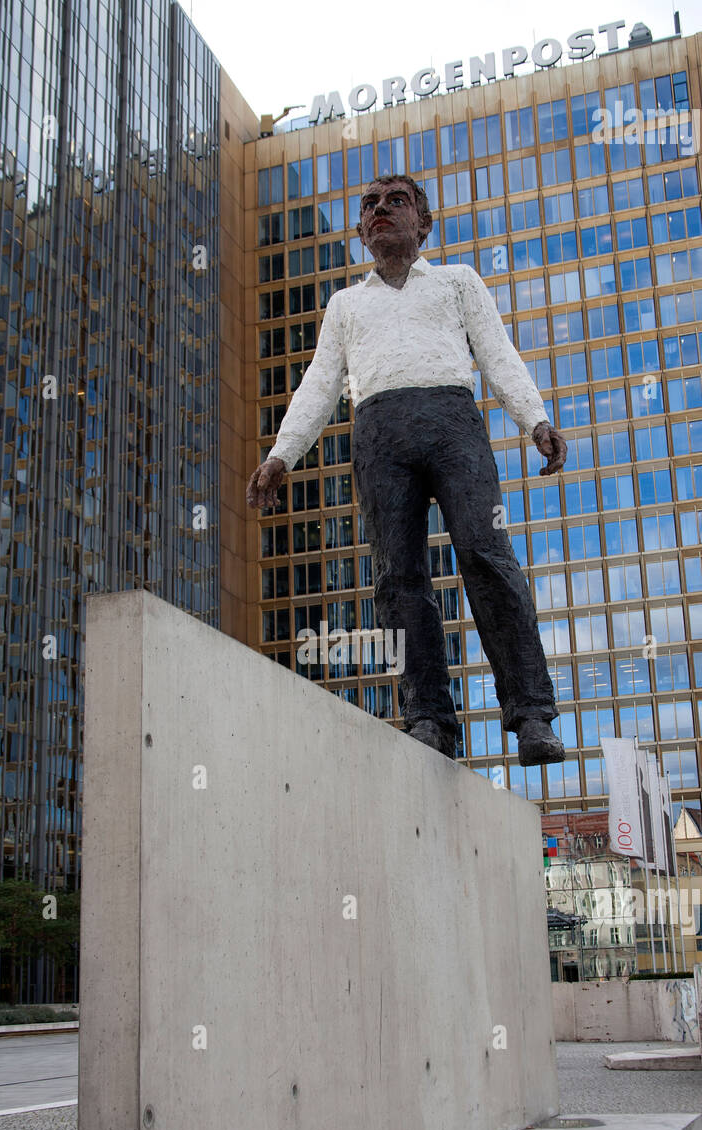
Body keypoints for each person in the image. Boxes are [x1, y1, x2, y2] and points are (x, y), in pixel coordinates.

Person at [246, 173, 568, 766]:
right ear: (360, 230)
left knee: (484, 554)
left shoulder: (456, 283)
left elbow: (497, 353)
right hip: (379, 435)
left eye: (397, 201)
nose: (381, 210)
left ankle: (531, 715)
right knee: (397, 579)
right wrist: (280, 455)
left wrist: (535, 420)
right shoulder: (346, 305)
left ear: (424, 223)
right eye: (369, 204)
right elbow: (318, 384)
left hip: (453, 425)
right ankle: (428, 718)